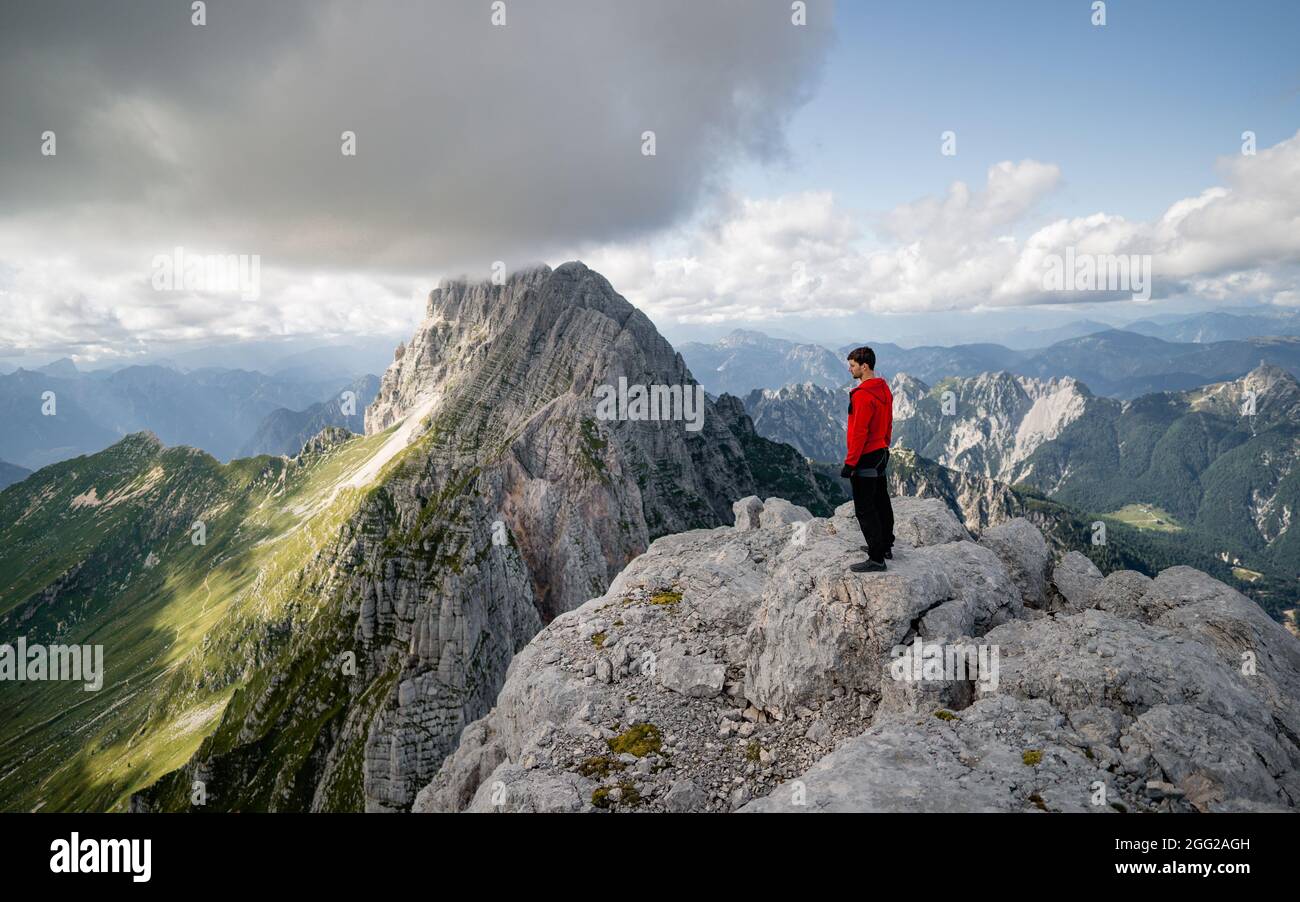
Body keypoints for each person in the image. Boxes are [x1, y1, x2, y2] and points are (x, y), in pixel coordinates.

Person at [841, 346, 895, 572]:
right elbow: (889, 421)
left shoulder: (862, 396)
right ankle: (885, 546)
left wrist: (850, 463)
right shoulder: (884, 389)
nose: (850, 369)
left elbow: (858, 432)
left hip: (865, 456)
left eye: (852, 365)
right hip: (881, 453)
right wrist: (885, 442)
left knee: (865, 508)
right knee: (882, 500)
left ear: (864, 366)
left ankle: (876, 558)